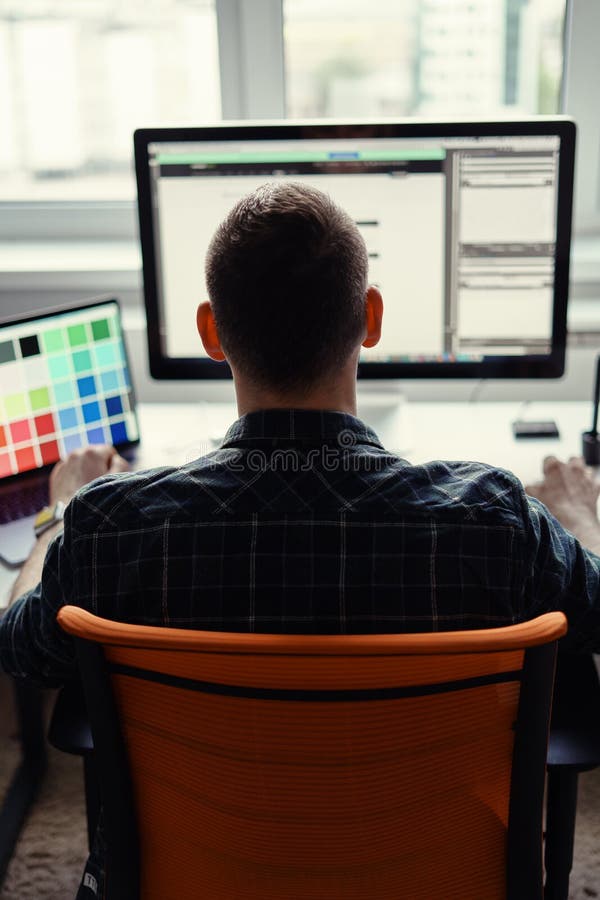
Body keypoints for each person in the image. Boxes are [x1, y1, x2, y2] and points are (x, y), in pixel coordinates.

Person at [1, 182, 600, 896]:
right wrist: (579, 514)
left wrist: (56, 514)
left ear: (210, 332)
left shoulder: (111, 526)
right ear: (371, 318)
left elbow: (20, 648)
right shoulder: (493, 520)